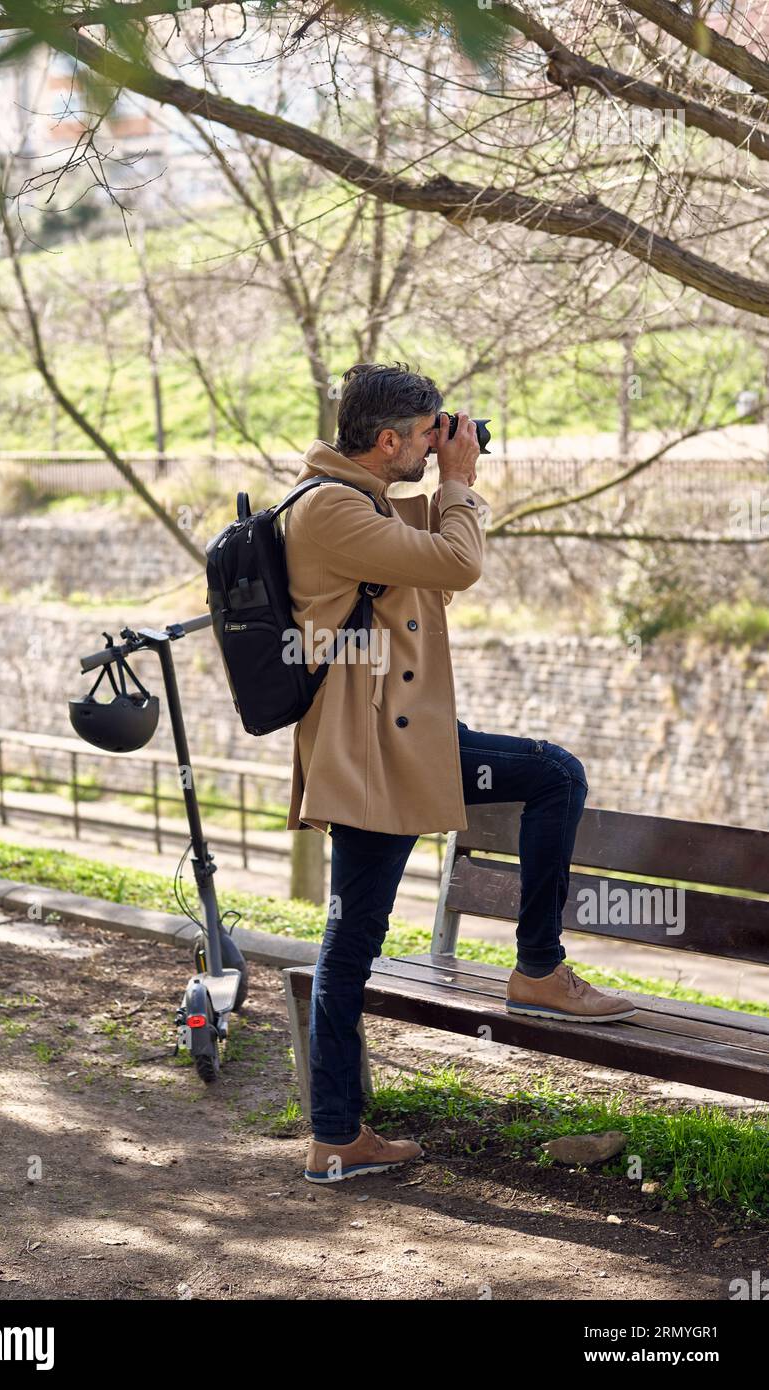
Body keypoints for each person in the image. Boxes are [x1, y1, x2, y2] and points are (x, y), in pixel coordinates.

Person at [283, 363, 635, 1185]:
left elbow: (425, 539)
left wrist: (446, 468)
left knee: (547, 779)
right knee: (351, 947)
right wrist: (463, 480)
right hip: (378, 753)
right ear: (386, 441)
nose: (438, 442)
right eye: (424, 430)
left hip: (396, 738)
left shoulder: (342, 497)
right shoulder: (334, 508)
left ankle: (340, 1132)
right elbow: (455, 562)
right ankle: (536, 973)